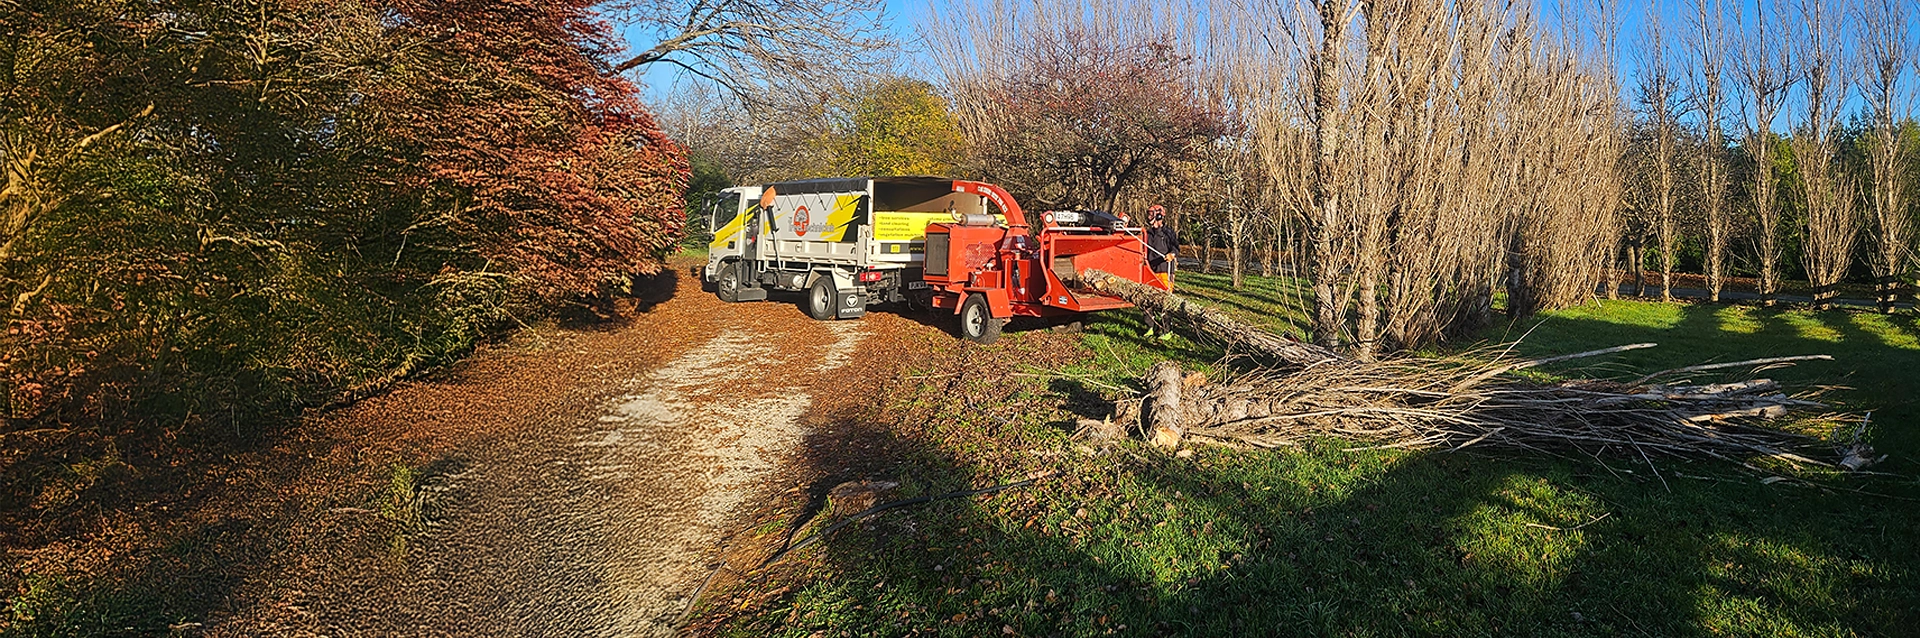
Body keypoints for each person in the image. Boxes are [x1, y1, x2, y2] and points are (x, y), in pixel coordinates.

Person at [1143, 205, 1179, 340]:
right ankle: (1151, 327)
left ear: (1159, 216)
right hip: (1150, 270)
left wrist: (1172, 254)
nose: (1149, 217)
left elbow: (1176, 248)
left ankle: (1167, 330)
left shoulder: (1168, 233)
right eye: (1148, 214)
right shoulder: (1147, 234)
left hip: (1164, 270)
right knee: (1146, 300)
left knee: (1164, 301)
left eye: (1151, 214)